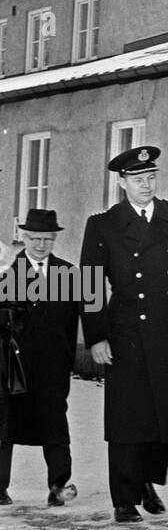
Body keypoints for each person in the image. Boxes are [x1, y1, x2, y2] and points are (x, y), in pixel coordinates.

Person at [80, 147, 168, 521]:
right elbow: (90, 285)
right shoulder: (104, 224)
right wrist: (96, 337)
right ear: (121, 182)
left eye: (151, 177)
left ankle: (146, 479)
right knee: (127, 417)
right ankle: (124, 498)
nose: (146, 185)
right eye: (138, 179)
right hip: (125, 331)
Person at [0, 209, 82, 507]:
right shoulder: (7, 272)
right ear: (23, 237)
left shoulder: (70, 274)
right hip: (10, 365)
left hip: (51, 367)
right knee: (4, 424)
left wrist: (65, 362)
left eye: (47, 239)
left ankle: (58, 486)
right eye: (34, 238)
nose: (40, 245)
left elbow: (72, 324)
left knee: (55, 425)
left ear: (55, 239)